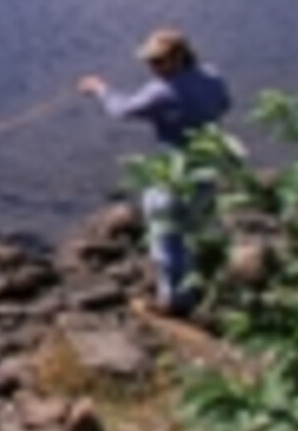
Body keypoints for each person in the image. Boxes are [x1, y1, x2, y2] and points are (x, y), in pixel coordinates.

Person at [78, 26, 233, 316]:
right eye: (149, 61)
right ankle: (194, 288)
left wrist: (100, 89)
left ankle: (174, 301)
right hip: (208, 166)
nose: (152, 67)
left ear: (179, 57)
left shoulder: (161, 91)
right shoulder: (212, 76)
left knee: (165, 233)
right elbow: (225, 104)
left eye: (159, 61)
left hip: (175, 171)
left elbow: (122, 110)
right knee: (193, 228)